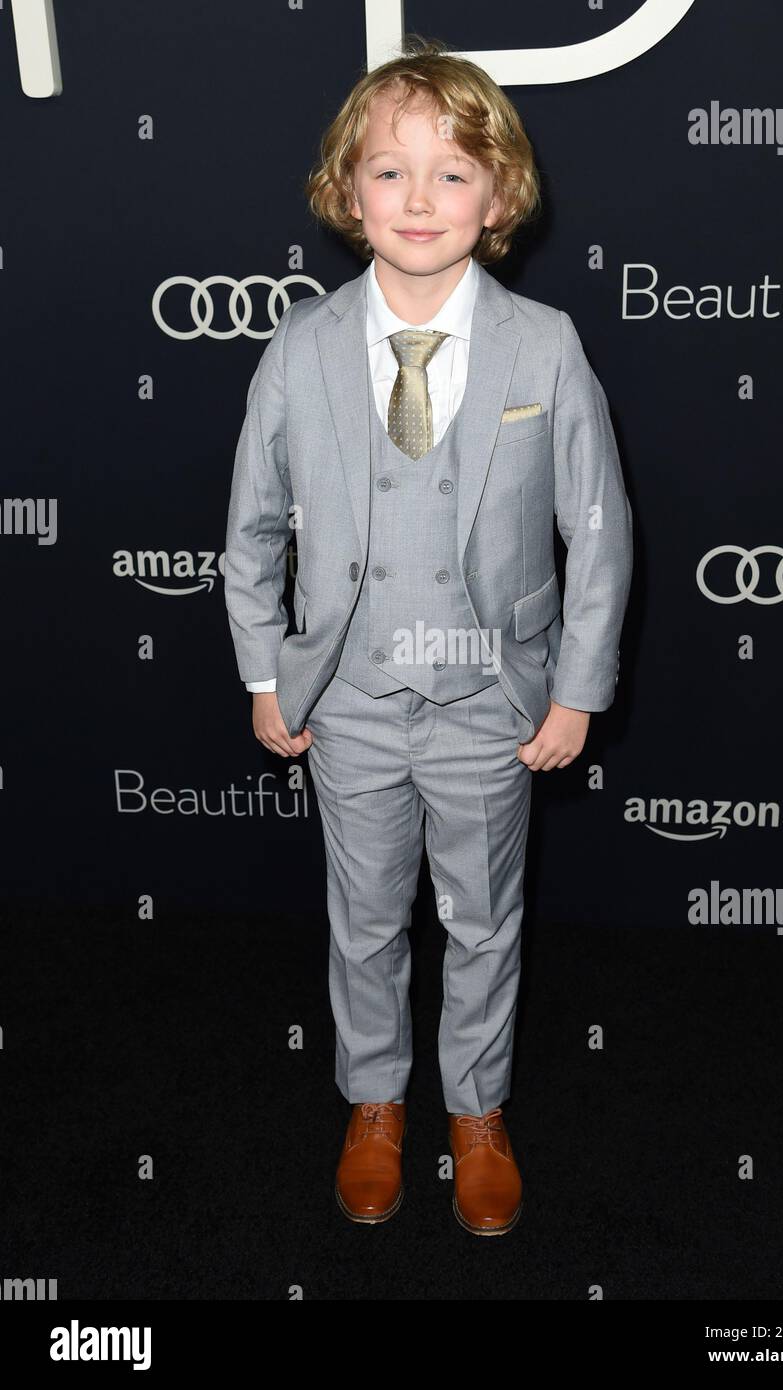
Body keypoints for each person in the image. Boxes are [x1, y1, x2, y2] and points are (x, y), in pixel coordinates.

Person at [224, 35, 633, 1235]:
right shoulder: (297, 352)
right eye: (389, 172)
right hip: (344, 700)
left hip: (491, 706)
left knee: (480, 916)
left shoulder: (544, 346)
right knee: (360, 918)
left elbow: (597, 532)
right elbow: (250, 529)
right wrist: (264, 672)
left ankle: (475, 1105)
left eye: (452, 173)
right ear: (345, 192)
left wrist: (572, 693)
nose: (419, 199)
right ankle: (372, 1099)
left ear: (498, 195)